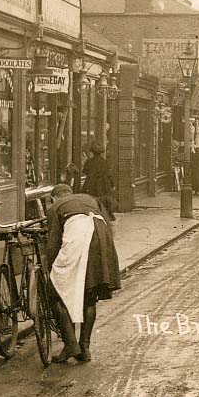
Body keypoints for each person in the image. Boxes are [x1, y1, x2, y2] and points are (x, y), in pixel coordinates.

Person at [46, 184, 121, 363]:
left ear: (54, 197)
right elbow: (109, 225)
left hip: (79, 236)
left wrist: (52, 270)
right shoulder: (90, 199)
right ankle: (85, 348)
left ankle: (71, 344)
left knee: (55, 291)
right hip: (102, 239)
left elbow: (53, 244)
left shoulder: (56, 206)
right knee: (90, 294)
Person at [81, 144, 116, 222]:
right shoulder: (104, 161)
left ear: (93, 152)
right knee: (104, 199)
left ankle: (93, 214)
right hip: (103, 184)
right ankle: (107, 215)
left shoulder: (90, 161)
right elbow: (109, 174)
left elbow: (84, 171)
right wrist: (112, 184)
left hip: (91, 184)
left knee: (91, 199)